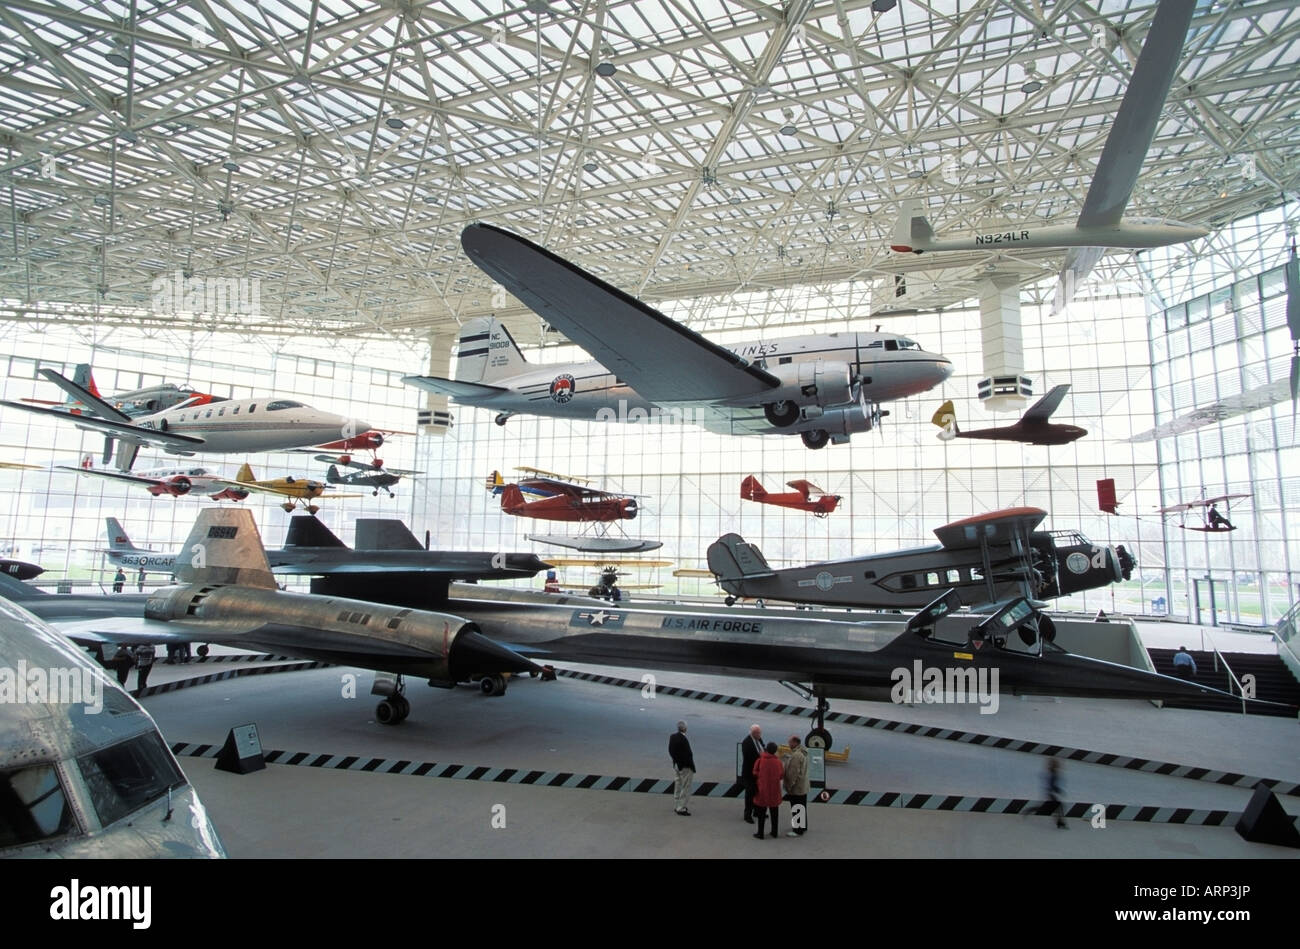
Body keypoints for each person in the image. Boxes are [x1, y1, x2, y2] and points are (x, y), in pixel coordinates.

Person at [752, 741, 784, 840]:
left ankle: (760, 833)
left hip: (763, 789)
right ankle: (774, 832)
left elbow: (755, 772)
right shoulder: (778, 762)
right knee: (774, 812)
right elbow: (781, 775)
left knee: (761, 813)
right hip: (774, 789)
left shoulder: (761, 760)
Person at [782, 735, 810, 837]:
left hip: (797, 787)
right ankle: (803, 826)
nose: (788, 744)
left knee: (796, 806)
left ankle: (797, 830)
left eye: (790, 742)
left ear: (795, 743)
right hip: (803, 785)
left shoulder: (796, 756)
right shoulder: (804, 752)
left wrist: (789, 786)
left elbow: (793, 773)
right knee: (802, 806)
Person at [668, 720, 695, 816]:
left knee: (678, 785)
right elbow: (688, 754)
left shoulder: (673, 737)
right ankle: (681, 808)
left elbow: (670, 750)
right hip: (685, 767)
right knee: (685, 787)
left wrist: (676, 762)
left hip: (677, 766)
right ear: (685, 729)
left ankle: (676, 805)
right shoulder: (683, 739)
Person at [739, 723, 764, 823]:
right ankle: (747, 814)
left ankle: (757, 811)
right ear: (754, 733)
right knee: (749, 794)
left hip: (758, 772)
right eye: (758, 733)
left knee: (757, 792)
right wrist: (761, 759)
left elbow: (762, 749)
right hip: (749, 773)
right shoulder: (747, 742)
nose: (760, 735)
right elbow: (749, 758)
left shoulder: (759, 740)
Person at [1045, 757, 1066, 829]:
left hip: (1051, 793)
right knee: (1058, 807)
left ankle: (1060, 822)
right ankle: (1060, 823)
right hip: (1051, 793)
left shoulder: (1053, 772)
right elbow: (1052, 784)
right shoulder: (1053, 773)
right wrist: (1058, 790)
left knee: (1058, 808)